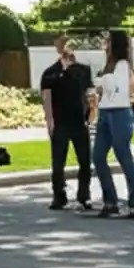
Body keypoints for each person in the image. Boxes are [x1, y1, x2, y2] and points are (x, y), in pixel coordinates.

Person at [91, 30, 134, 219]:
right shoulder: (108, 64)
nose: (104, 43)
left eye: (107, 40)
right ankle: (110, 200)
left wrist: (101, 82)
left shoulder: (123, 64)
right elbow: (105, 87)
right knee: (98, 156)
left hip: (120, 112)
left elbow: (115, 88)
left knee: (123, 155)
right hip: (105, 112)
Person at [39, 35, 93, 211]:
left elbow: (89, 94)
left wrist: (92, 114)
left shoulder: (83, 71)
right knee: (58, 162)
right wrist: (50, 122)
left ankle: (84, 195)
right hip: (60, 122)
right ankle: (59, 196)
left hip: (79, 122)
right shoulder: (50, 72)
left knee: (85, 161)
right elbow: (47, 99)